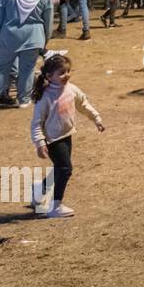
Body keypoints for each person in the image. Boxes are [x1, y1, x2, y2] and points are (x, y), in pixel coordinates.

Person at [29, 52, 104, 218]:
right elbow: (36, 124)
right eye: (61, 73)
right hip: (52, 139)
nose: (66, 75)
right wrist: (40, 143)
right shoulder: (46, 97)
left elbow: (83, 104)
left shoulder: (72, 89)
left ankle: (39, 191)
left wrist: (96, 118)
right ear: (49, 76)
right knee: (65, 169)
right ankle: (55, 205)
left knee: (60, 168)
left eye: (68, 71)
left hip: (66, 135)